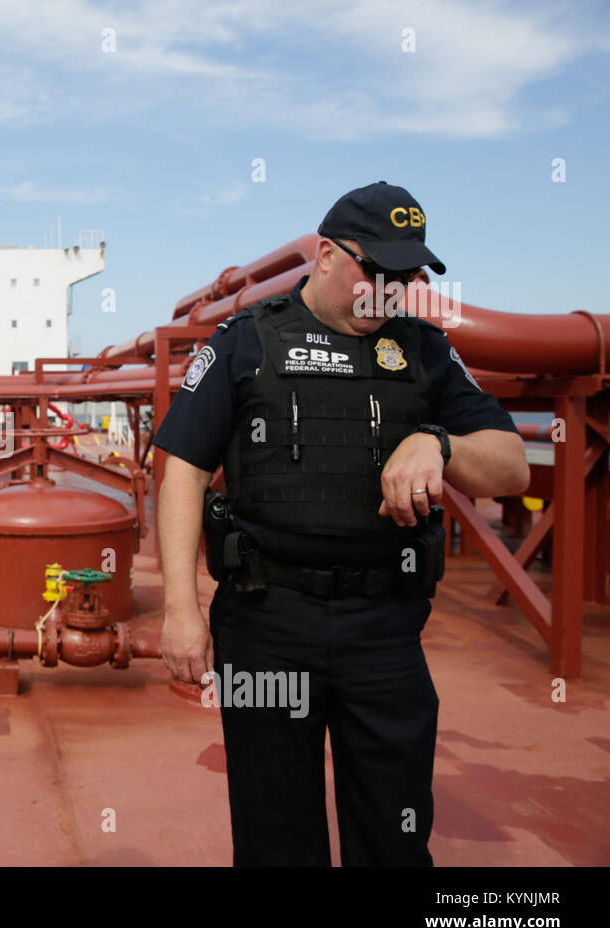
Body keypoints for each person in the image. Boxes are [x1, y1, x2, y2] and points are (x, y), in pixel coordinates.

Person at [155, 182, 529, 866]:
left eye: (407, 278)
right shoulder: (245, 342)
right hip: (267, 623)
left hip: (385, 631)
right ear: (325, 255)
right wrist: (182, 608)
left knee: (395, 834)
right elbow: (181, 467)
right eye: (376, 273)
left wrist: (441, 446)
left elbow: (512, 468)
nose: (390, 292)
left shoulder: (426, 352)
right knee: (276, 836)